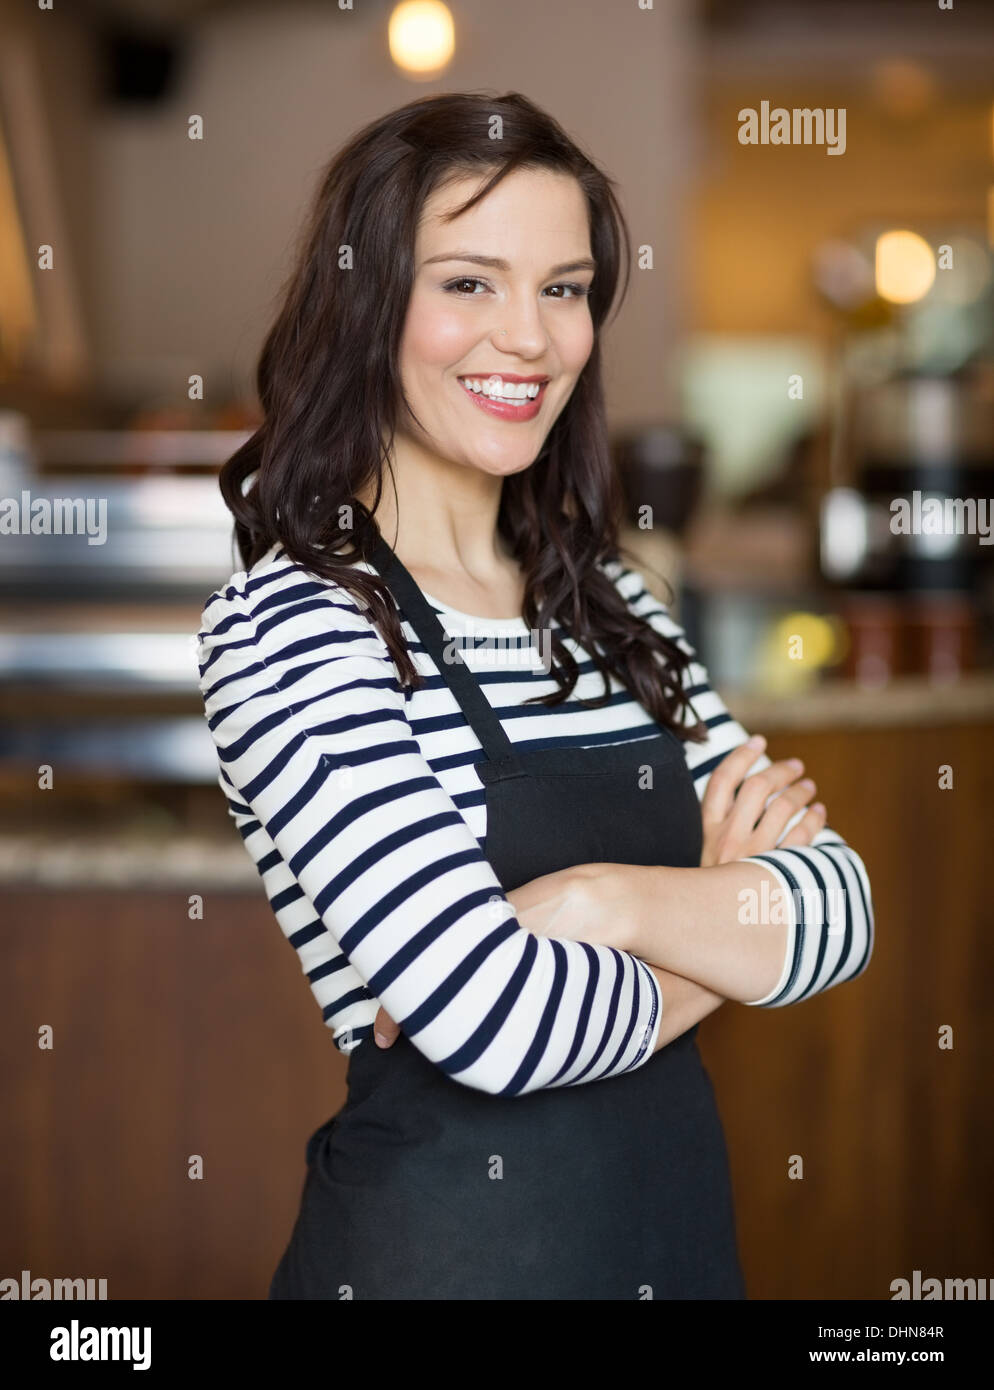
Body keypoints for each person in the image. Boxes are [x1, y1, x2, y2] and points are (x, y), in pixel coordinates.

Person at [195, 91, 874, 1300]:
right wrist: (719, 920)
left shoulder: (613, 601)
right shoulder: (297, 625)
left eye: (562, 288)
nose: (528, 337)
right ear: (368, 303)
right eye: (468, 282)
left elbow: (838, 910)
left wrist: (591, 899)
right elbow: (494, 1022)